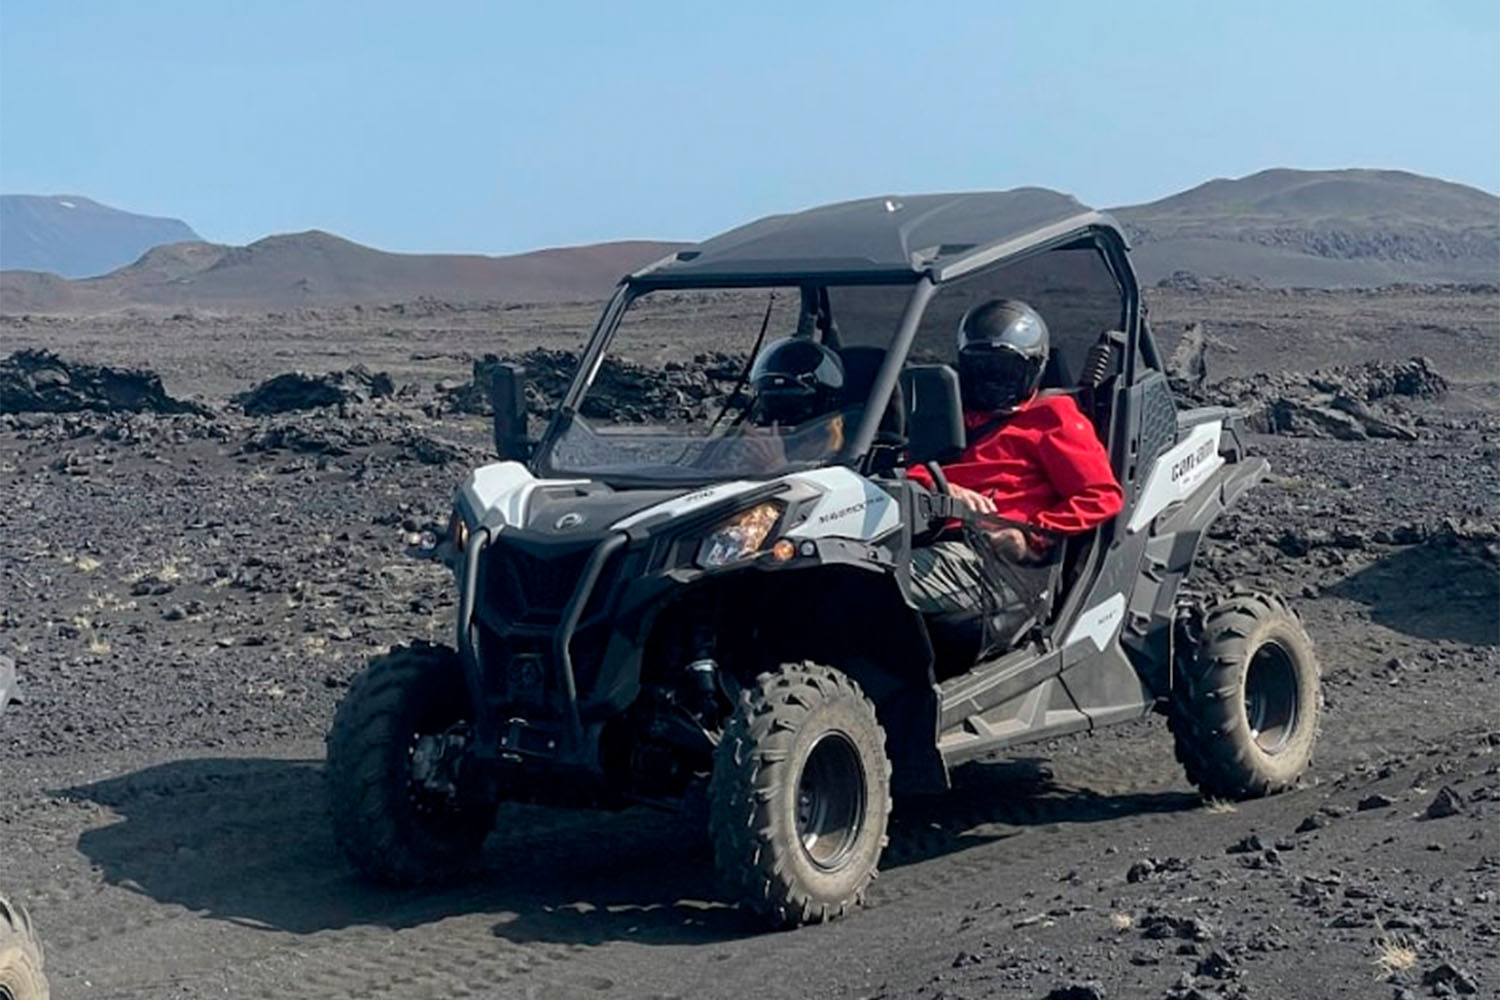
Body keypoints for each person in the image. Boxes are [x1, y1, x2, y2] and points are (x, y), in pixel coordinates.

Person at [906, 299, 1124, 616]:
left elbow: (1101, 496)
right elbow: (902, 469)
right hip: (920, 531)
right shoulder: (948, 413)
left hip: (987, 555)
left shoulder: (1051, 416)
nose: (992, 381)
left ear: (1033, 370)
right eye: (982, 369)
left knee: (874, 583)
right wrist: (937, 485)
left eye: (1005, 370)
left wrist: (1030, 535)